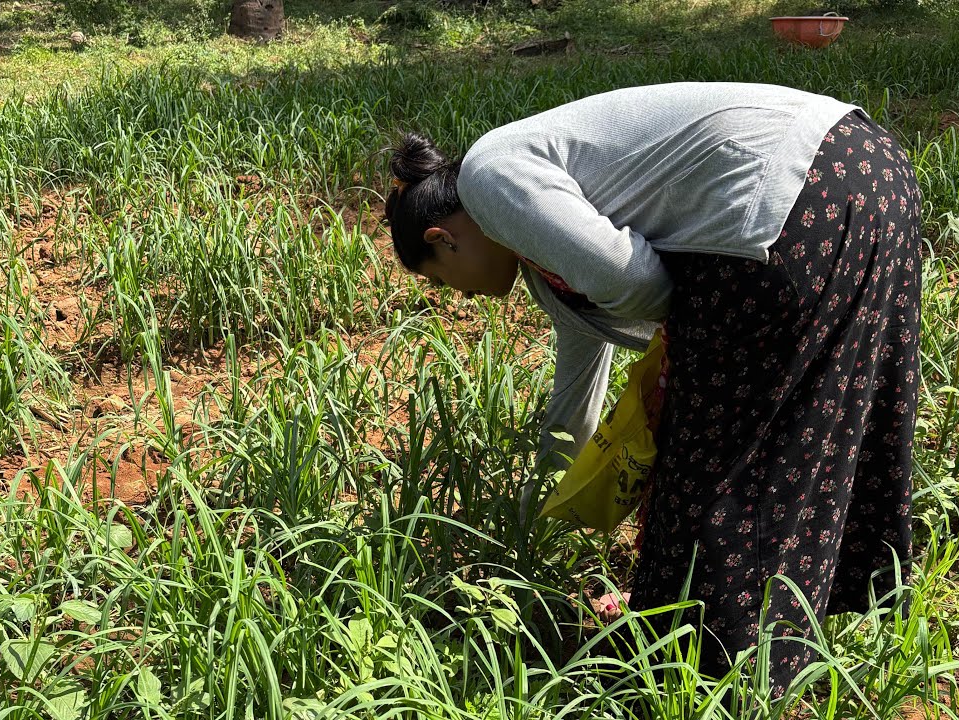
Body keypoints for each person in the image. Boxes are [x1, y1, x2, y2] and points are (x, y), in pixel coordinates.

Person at [382, 82, 922, 695]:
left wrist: (682, 359)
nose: (465, 298)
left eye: (445, 282)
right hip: (871, 169)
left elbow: (630, 277)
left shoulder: (488, 175)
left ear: (441, 240)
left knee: (710, 463)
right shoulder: (547, 259)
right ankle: (786, 642)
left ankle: (704, 679)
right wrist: (544, 520)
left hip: (787, 199)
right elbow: (574, 400)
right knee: (813, 425)